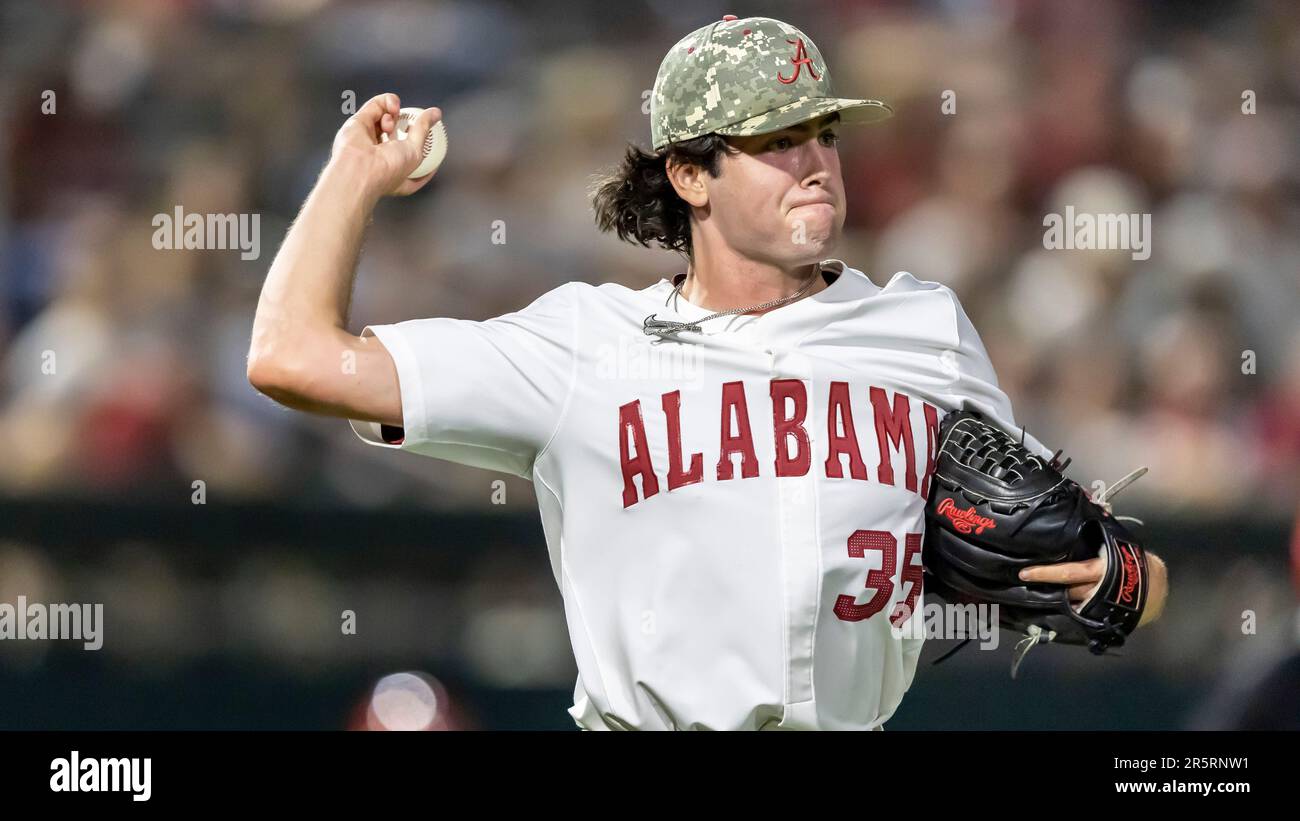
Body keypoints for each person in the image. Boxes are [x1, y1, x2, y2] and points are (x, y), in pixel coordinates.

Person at [248, 14, 1168, 730]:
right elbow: (291, 357)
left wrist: (1123, 580)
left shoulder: (921, 327)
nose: (815, 164)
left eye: (825, 134)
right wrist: (351, 180)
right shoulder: (586, 345)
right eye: (777, 142)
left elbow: (1100, 558)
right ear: (689, 175)